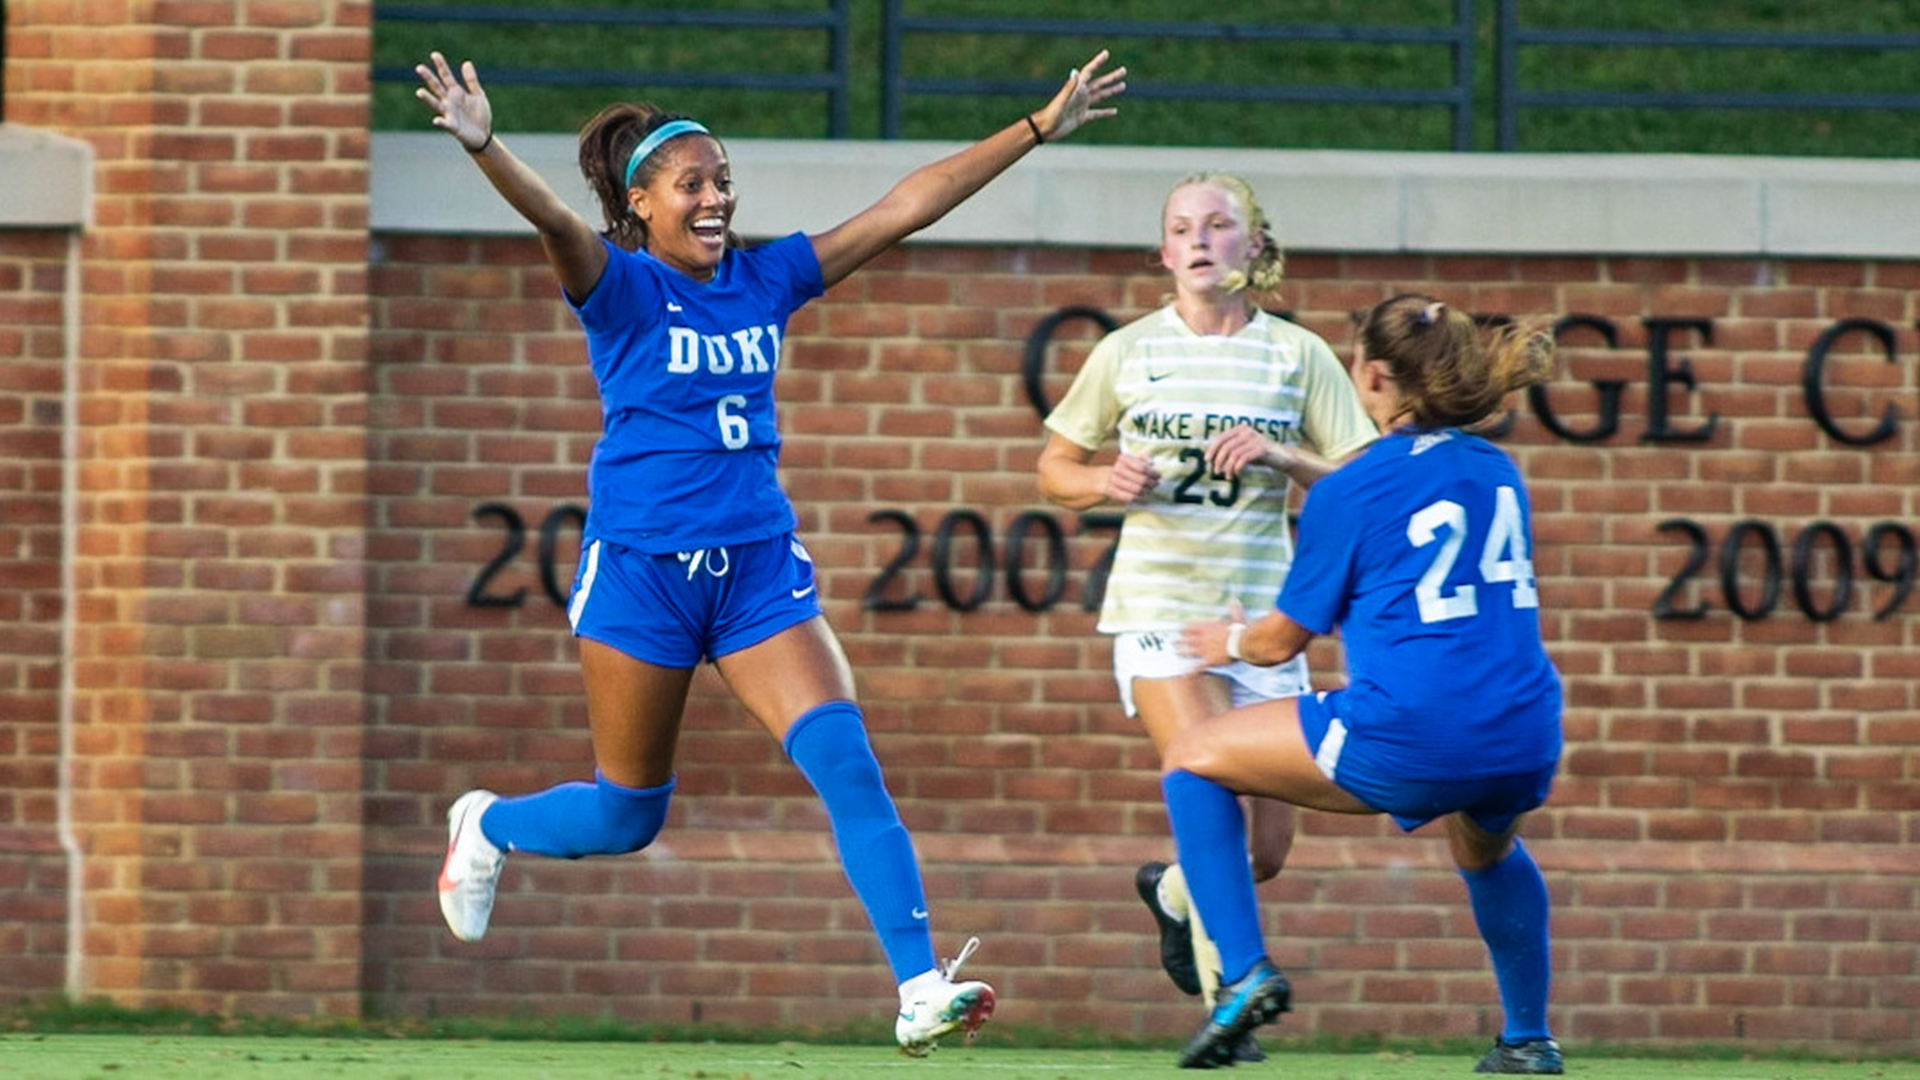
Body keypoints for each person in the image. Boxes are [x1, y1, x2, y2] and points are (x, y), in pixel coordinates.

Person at [413, 47, 1126, 1055]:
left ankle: (920, 987)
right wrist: (487, 147)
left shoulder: (767, 276)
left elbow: (903, 208)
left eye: (722, 180)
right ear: (643, 205)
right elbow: (554, 222)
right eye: (692, 184)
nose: (716, 196)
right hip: (642, 578)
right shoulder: (618, 288)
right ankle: (488, 826)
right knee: (627, 816)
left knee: (845, 758)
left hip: (755, 573)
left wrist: (1039, 126)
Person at [1165, 294, 1563, 1071]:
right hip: (1522, 728)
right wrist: (1292, 464)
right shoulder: (1497, 468)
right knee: (1485, 851)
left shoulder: (1352, 491)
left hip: (1409, 731)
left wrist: (1225, 640)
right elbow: (1410, 519)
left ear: (1373, 374)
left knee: (1191, 759)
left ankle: (1244, 973)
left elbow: (1280, 643)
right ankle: (1528, 1039)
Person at [1034, 173, 1377, 1058]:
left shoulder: (1297, 355)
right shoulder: (1127, 352)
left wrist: (1282, 454)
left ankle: (1176, 894)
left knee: (1266, 850)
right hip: (1157, 608)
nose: (1199, 240)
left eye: (1218, 225)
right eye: (1181, 228)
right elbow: (1054, 468)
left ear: (1253, 246)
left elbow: (1367, 484)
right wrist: (1100, 482)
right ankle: (1235, 1005)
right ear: (1163, 252)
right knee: (1206, 778)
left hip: (1261, 619)